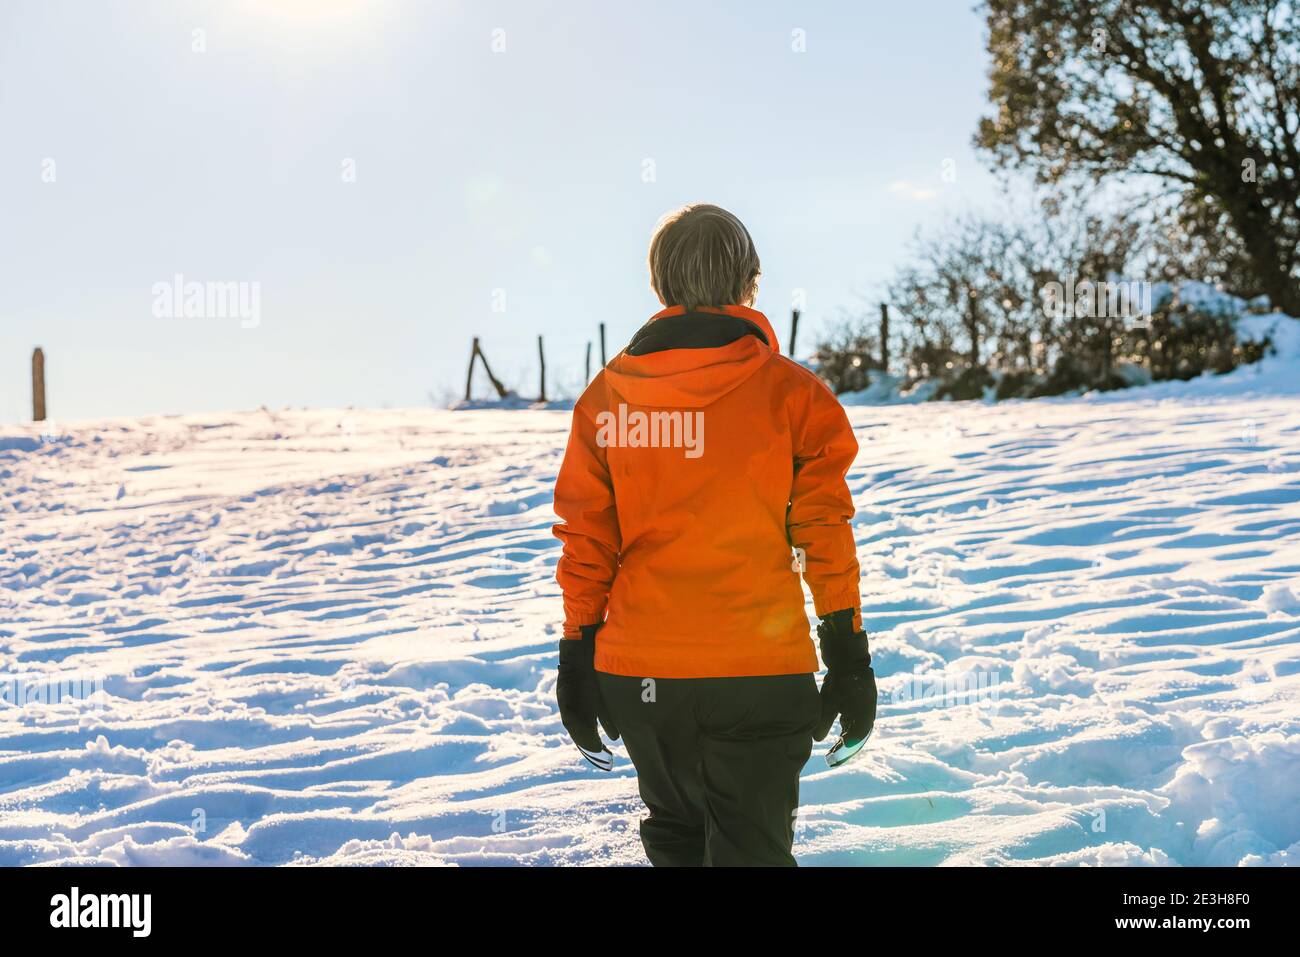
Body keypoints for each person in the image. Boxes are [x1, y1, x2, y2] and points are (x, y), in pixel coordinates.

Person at [552, 203, 876, 867]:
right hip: (757, 669)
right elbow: (825, 532)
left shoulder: (607, 400)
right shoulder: (794, 395)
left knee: (677, 837)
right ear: (749, 283)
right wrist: (847, 653)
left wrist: (576, 656)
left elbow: (586, 539)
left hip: (642, 676)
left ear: (659, 285)